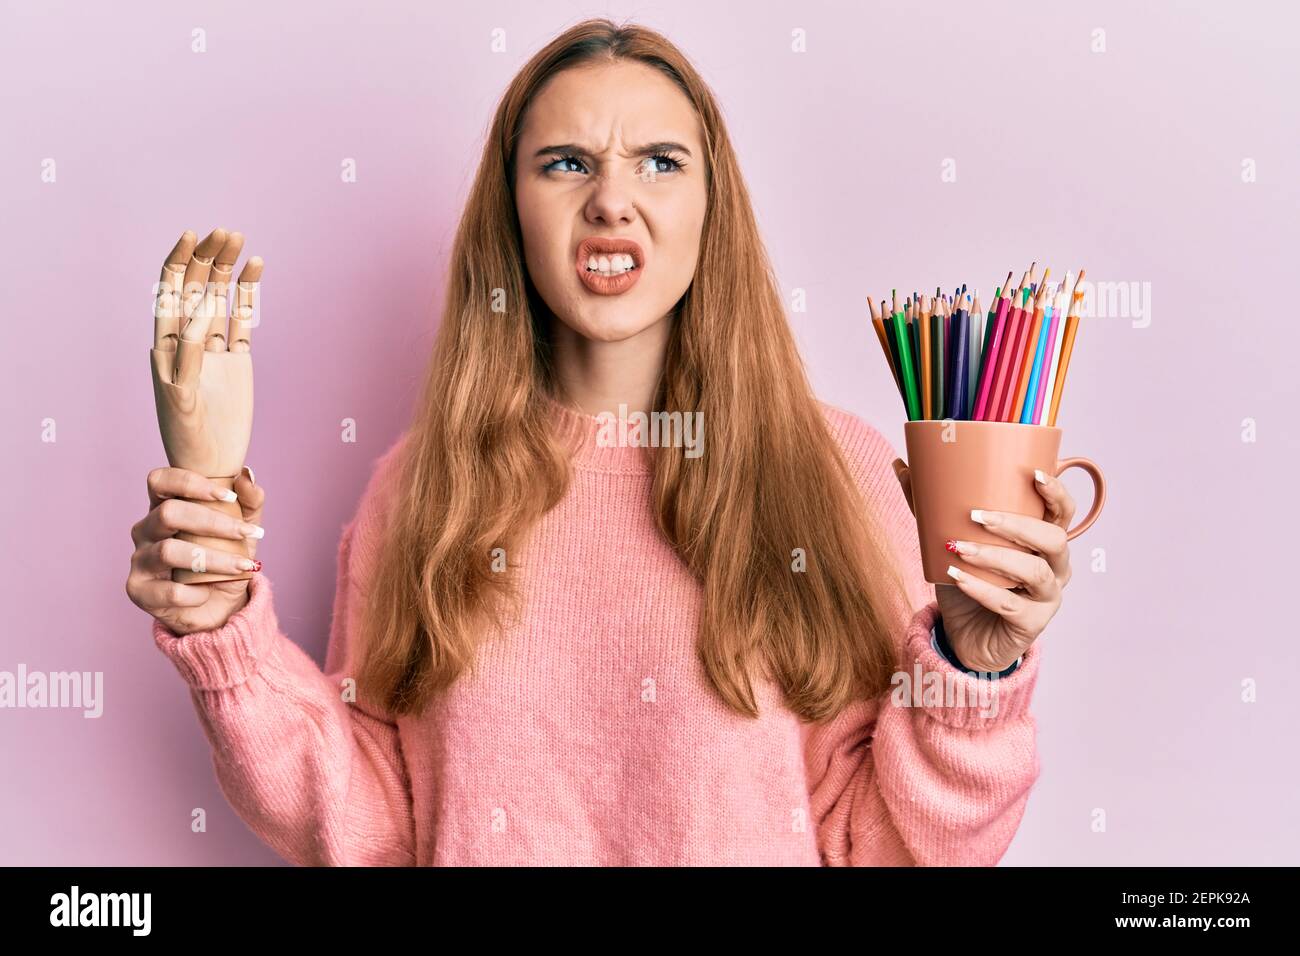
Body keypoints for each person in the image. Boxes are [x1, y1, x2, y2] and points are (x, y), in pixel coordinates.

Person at [126, 17, 1079, 866]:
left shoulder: (839, 475)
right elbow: (375, 830)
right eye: (566, 163)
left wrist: (974, 668)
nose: (613, 201)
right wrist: (221, 627)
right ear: (512, 211)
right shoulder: (419, 489)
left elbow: (895, 852)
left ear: (714, 209)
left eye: (661, 162)